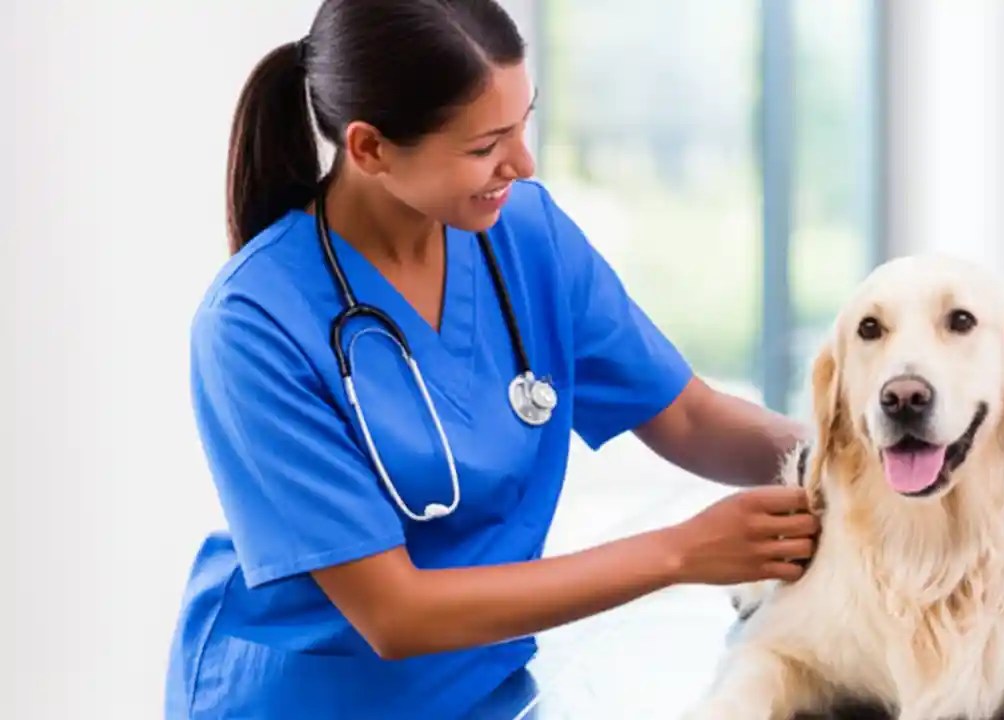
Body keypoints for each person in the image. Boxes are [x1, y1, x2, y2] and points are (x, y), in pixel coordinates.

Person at [163, 1, 819, 718]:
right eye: (485, 147)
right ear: (370, 148)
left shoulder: (527, 235)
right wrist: (682, 553)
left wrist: (852, 457)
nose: (523, 163)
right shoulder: (254, 322)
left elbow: (688, 416)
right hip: (308, 703)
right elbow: (395, 613)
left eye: (522, 123)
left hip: (485, 691)